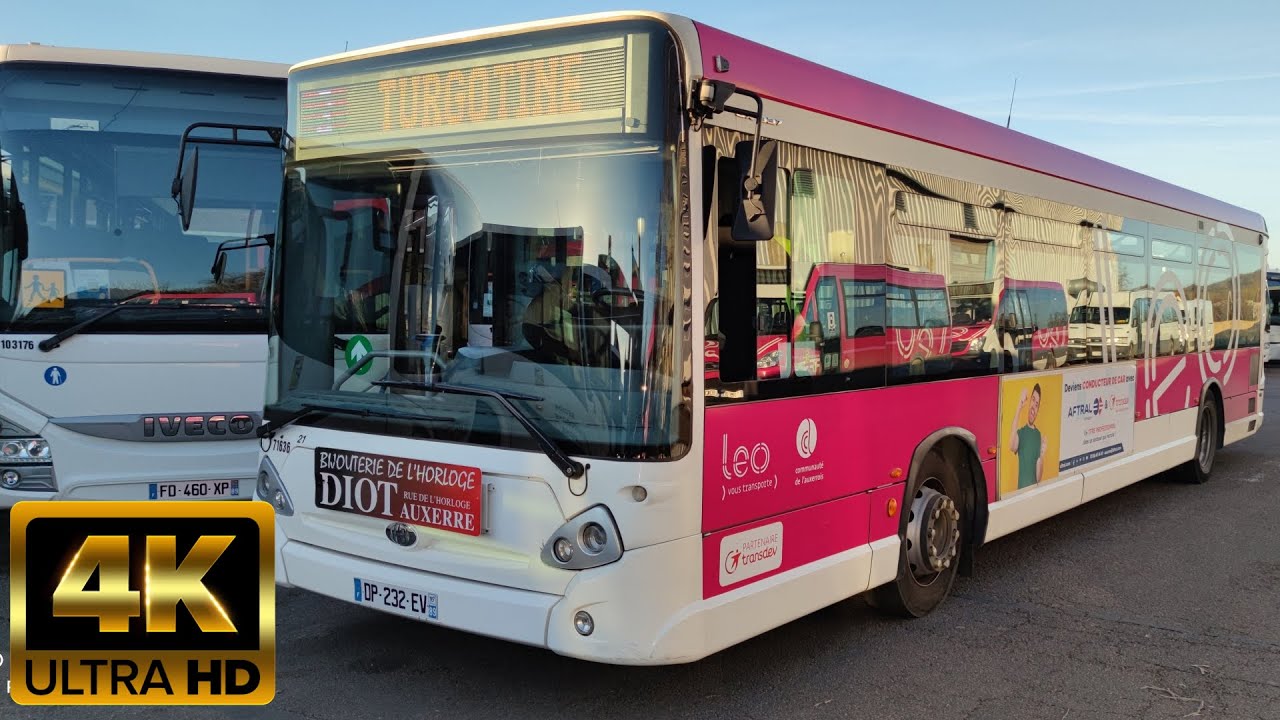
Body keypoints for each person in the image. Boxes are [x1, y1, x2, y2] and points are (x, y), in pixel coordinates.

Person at [1009, 383, 1046, 489]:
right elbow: (1012, 445)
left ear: (1038, 410)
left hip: (1034, 493)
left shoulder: (1039, 435)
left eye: (1037, 404)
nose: (1034, 406)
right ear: (1029, 402)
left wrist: (1042, 455)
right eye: (1033, 400)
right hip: (1021, 493)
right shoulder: (1021, 432)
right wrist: (1019, 407)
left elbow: (1038, 478)